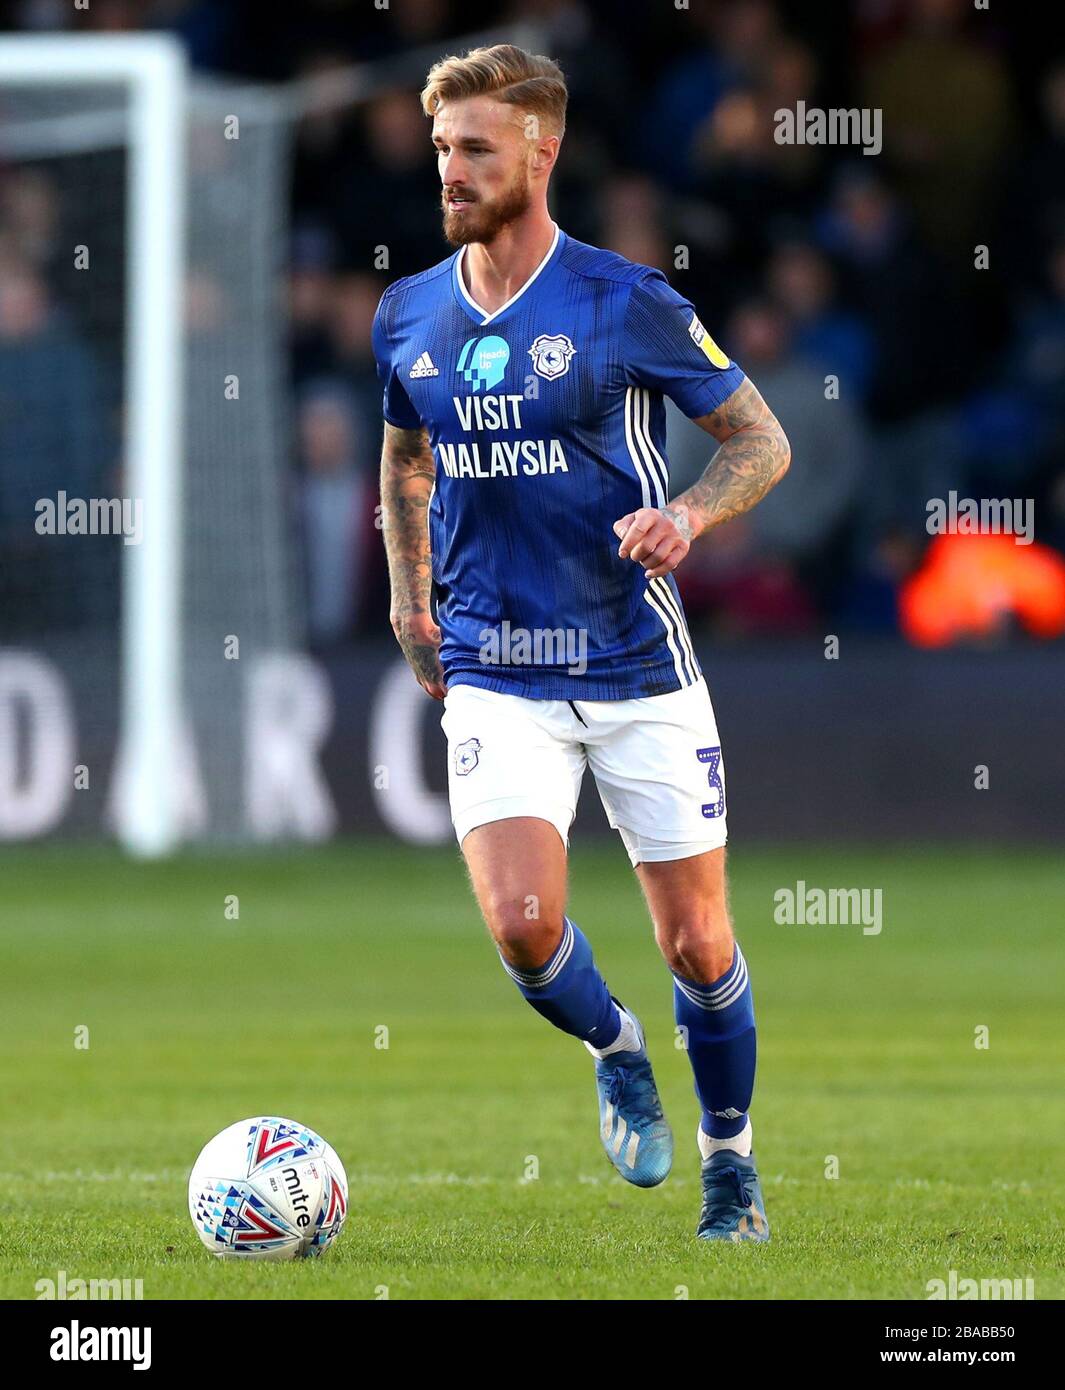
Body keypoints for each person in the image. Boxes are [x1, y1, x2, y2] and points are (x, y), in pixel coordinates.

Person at [372, 44, 790, 1241]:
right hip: (495, 665)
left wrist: (691, 513)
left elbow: (761, 439)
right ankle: (614, 1044)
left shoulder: (627, 301)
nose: (449, 171)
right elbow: (407, 458)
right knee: (520, 922)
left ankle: (732, 1167)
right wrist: (411, 602)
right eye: (443, 148)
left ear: (540, 155)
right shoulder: (408, 312)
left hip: (634, 661)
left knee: (699, 942)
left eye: (475, 151)